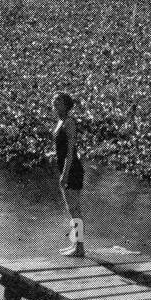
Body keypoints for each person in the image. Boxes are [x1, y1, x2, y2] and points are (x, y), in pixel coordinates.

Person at [53, 92, 85, 257]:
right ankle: (75, 245)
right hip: (67, 168)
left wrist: (64, 174)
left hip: (72, 170)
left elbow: (70, 152)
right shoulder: (60, 121)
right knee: (73, 209)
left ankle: (79, 248)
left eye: (58, 100)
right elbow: (62, 148)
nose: (55, 102)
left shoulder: (69, 122)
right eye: (54, 100)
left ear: (66, 105)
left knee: (74, 209)